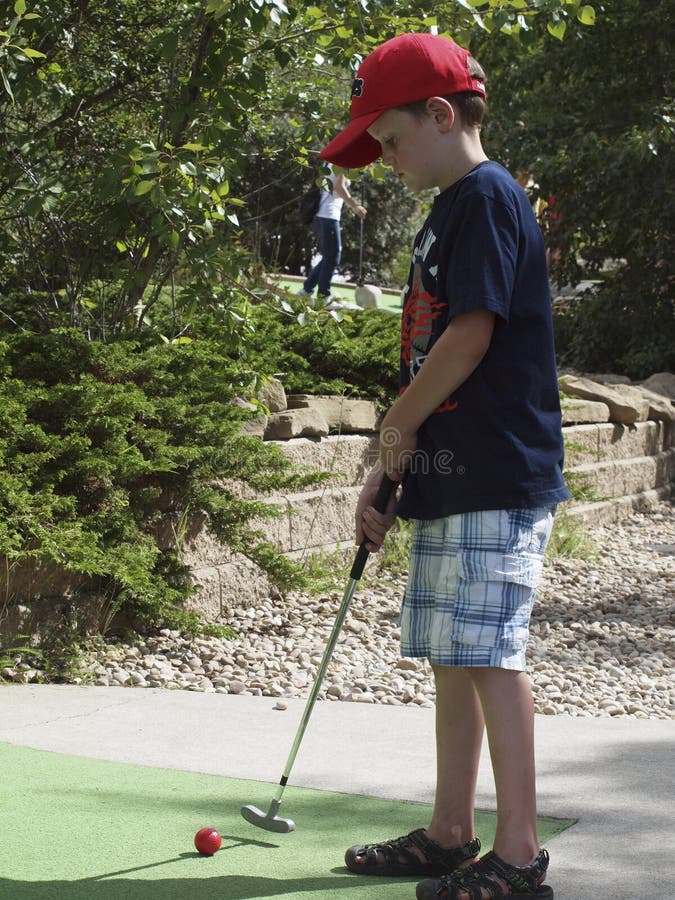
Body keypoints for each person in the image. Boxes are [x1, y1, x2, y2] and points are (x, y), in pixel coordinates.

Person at [320, 32, 570, 900]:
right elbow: (431, 351)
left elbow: (469, 333)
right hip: (455, 471)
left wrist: (395, 423)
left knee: (490, 654)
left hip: (501, 473)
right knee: (452, 653)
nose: (383, 158)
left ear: (437, 114)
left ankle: (520, 856)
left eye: (387, 140)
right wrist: (396, 473)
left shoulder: (489, 197)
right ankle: (450, 831)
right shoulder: (447, 209)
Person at [298, 165, 366, 304]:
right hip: (328, 216)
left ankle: (306, 290)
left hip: (322, 217)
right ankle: (323, 296)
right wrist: (354, 206)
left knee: (329, 257)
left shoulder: (330, 162)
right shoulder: (340, 163)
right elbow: (339, 187)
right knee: (333, 256)